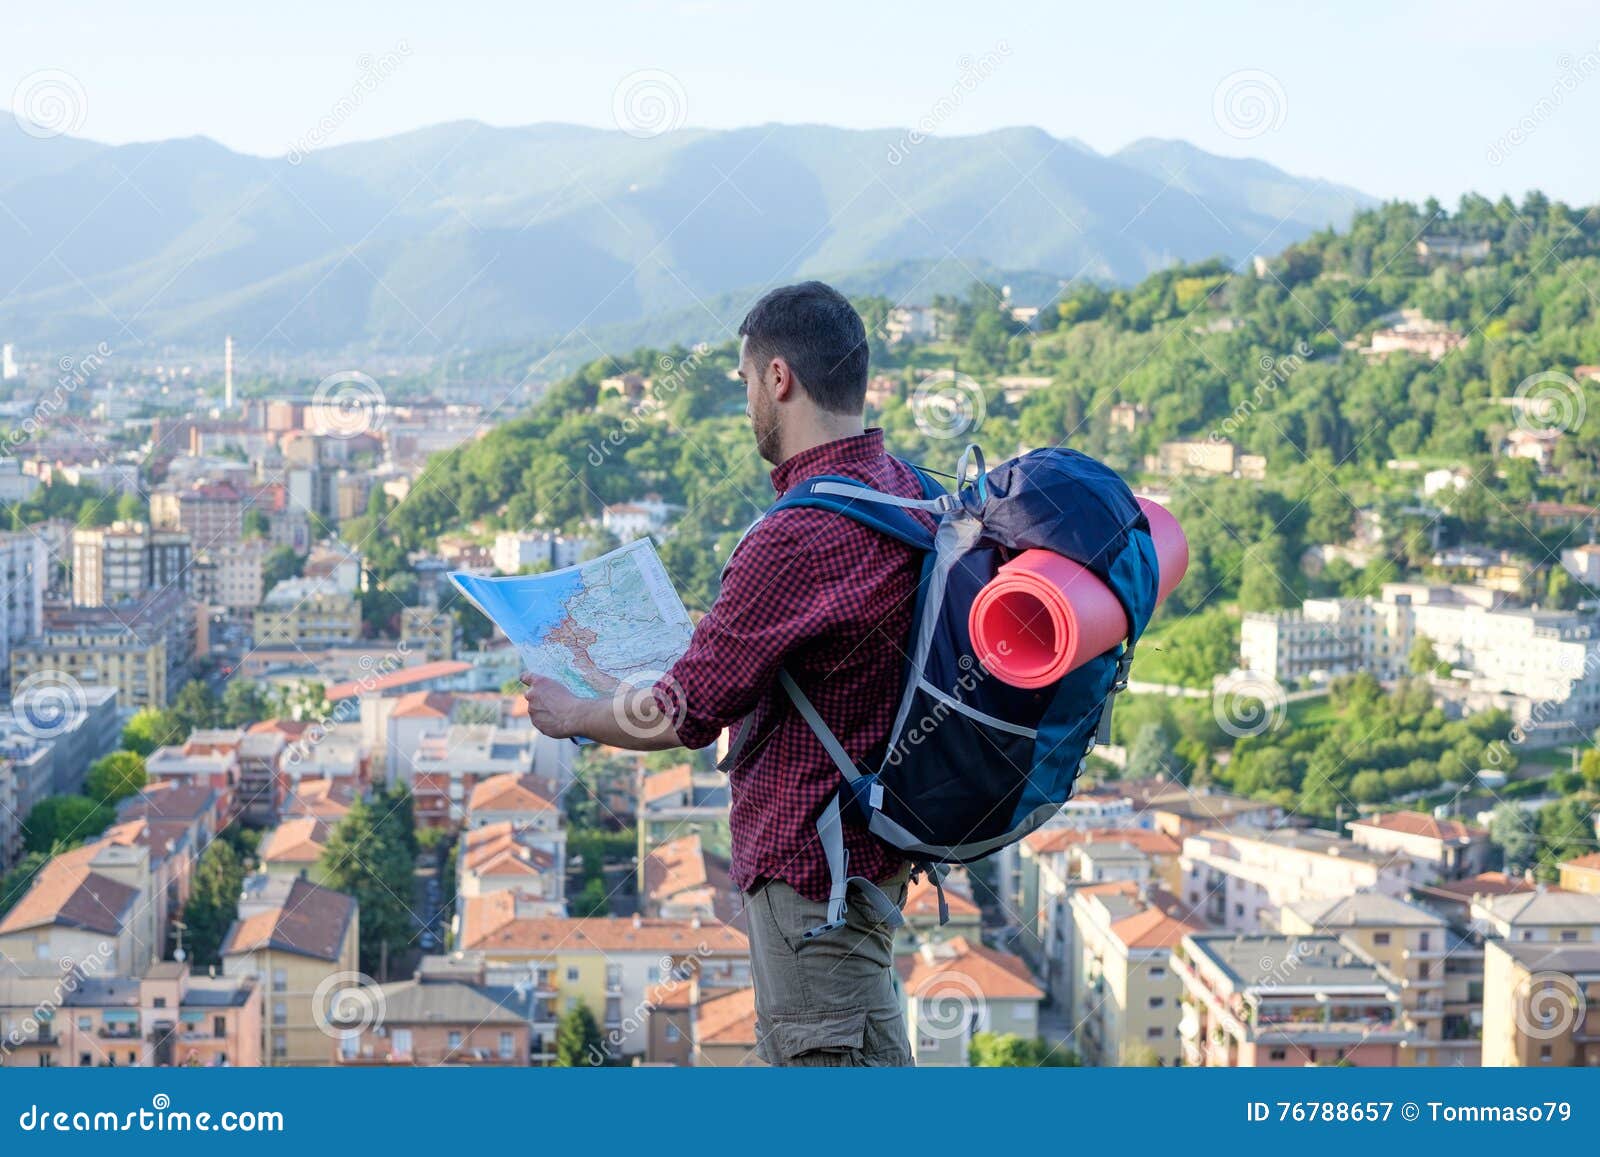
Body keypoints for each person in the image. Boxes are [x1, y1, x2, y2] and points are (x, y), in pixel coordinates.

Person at [522, 281, 933, 1066]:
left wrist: (574, 710)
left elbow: (682, 714)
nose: (748, 402)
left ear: (779, 378)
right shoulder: (908, 491)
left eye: (746, 382)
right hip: (870, 866)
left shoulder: (797, 538)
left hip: (812, 880)